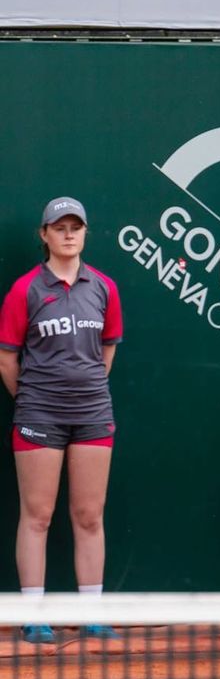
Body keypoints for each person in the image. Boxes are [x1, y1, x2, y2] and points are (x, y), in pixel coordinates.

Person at [0, 197, 123, 643]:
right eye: (60, 226)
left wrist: (82, 390)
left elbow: (106, 350)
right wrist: (37, 399)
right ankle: (33, 615)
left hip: (93, 413)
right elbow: (6, 360)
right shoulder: (24, 290)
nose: (68, 233)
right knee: (37, 514)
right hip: (38, 414)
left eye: (76, 226)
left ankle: (92, 612)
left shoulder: (104, 288)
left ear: (85, 232)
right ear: (44, 234)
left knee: (89, 515)